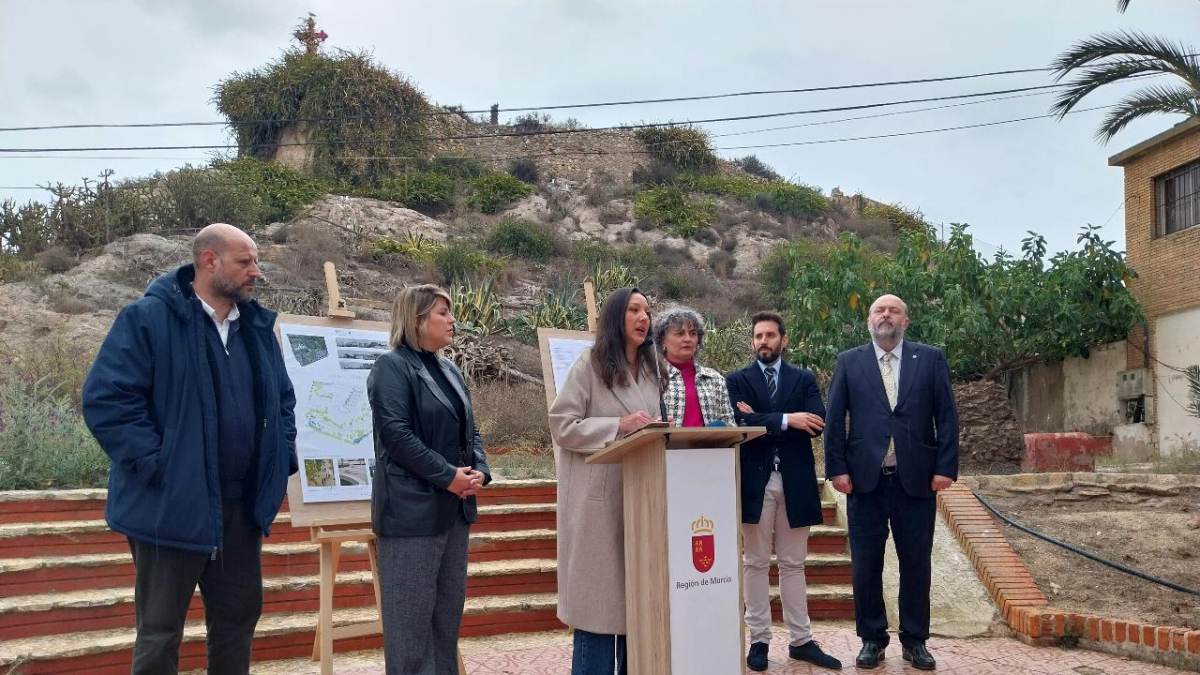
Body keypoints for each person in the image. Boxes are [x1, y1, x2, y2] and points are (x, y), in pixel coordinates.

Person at [82, 223, 298, 675]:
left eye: (256, 261)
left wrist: (281, 459)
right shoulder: (147, 319)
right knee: (160, 634)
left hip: (240, 511)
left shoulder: (257, 329)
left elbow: (282, 402)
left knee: (237, 623)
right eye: (246, 262)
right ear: (210, 261)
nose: (256, 272)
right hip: (170, 506)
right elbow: (108, 401)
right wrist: (159, 466)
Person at [824, 294, 959, 671]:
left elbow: (947, 417)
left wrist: (945, 467)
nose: (886, 315)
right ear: (869, 320)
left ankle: (915, 641)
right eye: (879, 311)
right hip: (864, 482)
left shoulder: (930, 358)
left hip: (915, 481)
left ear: (906, 321)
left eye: (893, 310)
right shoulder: (849, 362)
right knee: (865, 565)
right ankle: (872, 639)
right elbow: (835, 420)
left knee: (916, 563)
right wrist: (837, 469)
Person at [367, 284, 490, 675]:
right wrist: (448, 477)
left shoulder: (450, 369)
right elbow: (396, 436)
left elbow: (470, 431)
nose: (452, 319)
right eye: (442, 312)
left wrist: (480, 472)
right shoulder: (391, 366)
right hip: (411, 515)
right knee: (410, 629)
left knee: (445, 622)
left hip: (453, 512)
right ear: (417, 320)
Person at [548, 287, 660, 675]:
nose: (644, 318)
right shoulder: (590, 364)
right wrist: (617, 426)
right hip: (598, 504)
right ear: (616, 317)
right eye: (634, 310)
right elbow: (562, 425)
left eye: (647, 311)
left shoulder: (651, 370)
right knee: (598, 613)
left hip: (643, 498)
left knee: (637, 612)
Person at [726, 311, 843, 671]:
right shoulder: (737, 380)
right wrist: (787, 419)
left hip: (796, 482)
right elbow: (735, 420)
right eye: (758, 336)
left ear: (783, 340)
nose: (764, 341)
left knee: (794, 564)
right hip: (754, 482)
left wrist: (760, 419)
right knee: (755, 563)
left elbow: (817, 422)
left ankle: (801, 640)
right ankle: (758, 641)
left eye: (771, 335)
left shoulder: (804, 378)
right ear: (751, 342)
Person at [653, 306, 735, 427]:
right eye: (680, 333)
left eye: (693, 333)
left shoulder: (714, 378)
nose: (688, 339)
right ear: (663, 340)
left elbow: (730, 424)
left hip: (711, 446)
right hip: (665, 446)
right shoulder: (653, 377)